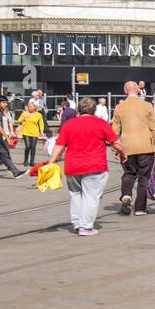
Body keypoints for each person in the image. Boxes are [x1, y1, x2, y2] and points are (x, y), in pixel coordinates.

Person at [45, 96, 124, 236]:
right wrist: (122, 152)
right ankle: (86, 226)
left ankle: (76, 222)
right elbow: (115, 142)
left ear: (79, 110)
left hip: (72, 166)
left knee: (75, 194)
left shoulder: (69, 125)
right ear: (94, 110)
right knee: (91, 196)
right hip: (95, 166)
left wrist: (51, 162)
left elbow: (59, 145)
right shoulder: (101, 124)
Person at [110, 81, 155, 215]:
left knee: (129, 173)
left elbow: (115, 130)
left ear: (125, 91)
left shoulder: (119, 108)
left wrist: (115, 149)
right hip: (146, 146)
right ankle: (140, 208)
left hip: (127, 147)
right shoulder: (147, 106)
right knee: (144, 177)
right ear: (138, 91)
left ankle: (126, 195)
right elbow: (153, 127)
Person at [16, 101, 46, 169]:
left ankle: (32, 161)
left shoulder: (38, 115)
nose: (29, 108)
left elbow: (41, 123)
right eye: (28, 106)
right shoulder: (25, 113)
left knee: (33, 147)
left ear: (34, 107)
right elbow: (18, 121)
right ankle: (25, 160)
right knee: (28, 146)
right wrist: (24, 118)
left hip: (34, 132)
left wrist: (41, 131)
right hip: (26, 132)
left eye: (30, 107)